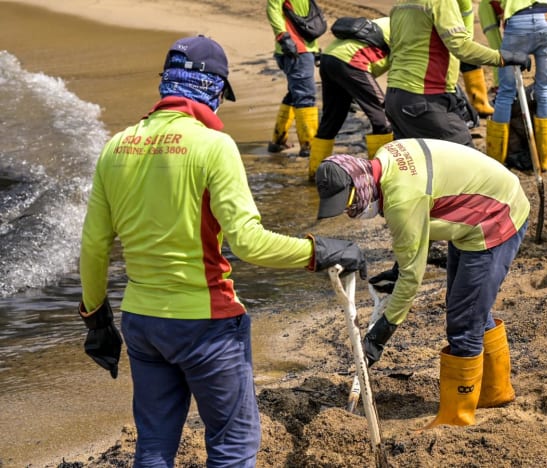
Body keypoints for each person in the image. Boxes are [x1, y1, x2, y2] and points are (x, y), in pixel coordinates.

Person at [77, 35, 367, 467]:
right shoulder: (213, 146)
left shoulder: (115, 147)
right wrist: (317, 250)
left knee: (154, 445)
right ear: (212, 88)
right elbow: (248, 242)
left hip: (142, 322)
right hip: (206, 324)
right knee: (233, 446)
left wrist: (96, 318)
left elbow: (94, 245)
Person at [314, 138, 529, 429]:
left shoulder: (402, 202)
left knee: (464, 323)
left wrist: (379, 334)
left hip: (496, 216)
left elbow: (412, 278)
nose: (349, 211)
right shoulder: (387, 155)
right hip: (473, 210)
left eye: (349, 202)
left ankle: (457, 419)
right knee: (469, 304)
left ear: (359, 182)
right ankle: (495, 392)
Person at [385, 0, 532, 146]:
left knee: (423, 164)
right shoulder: (441, 2)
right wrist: (503, 57)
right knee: (468, 162)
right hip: (425, 98)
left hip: (396, 98)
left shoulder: (399, 4)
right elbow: (461, 46)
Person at [308, 17, 393, 181]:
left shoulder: (391, 21)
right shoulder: (407, 30)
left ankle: (315, 175)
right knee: (382, 117)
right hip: (352, 61)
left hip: (329, 58)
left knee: (331, 120)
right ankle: (381, 178)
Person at [485, 0, 547, 171]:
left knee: (506, 92)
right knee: (545, 88)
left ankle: (496, 160)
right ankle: (546, 160)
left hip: (519, 22)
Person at [267, 0, 321, 156]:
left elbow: (304, 18)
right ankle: (309, 146)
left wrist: (314, 48)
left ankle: (278, 141)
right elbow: (273, 10)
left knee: (294, 94)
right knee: (305, 96)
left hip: (301, 49)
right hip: (295, 50)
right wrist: (283, 37)